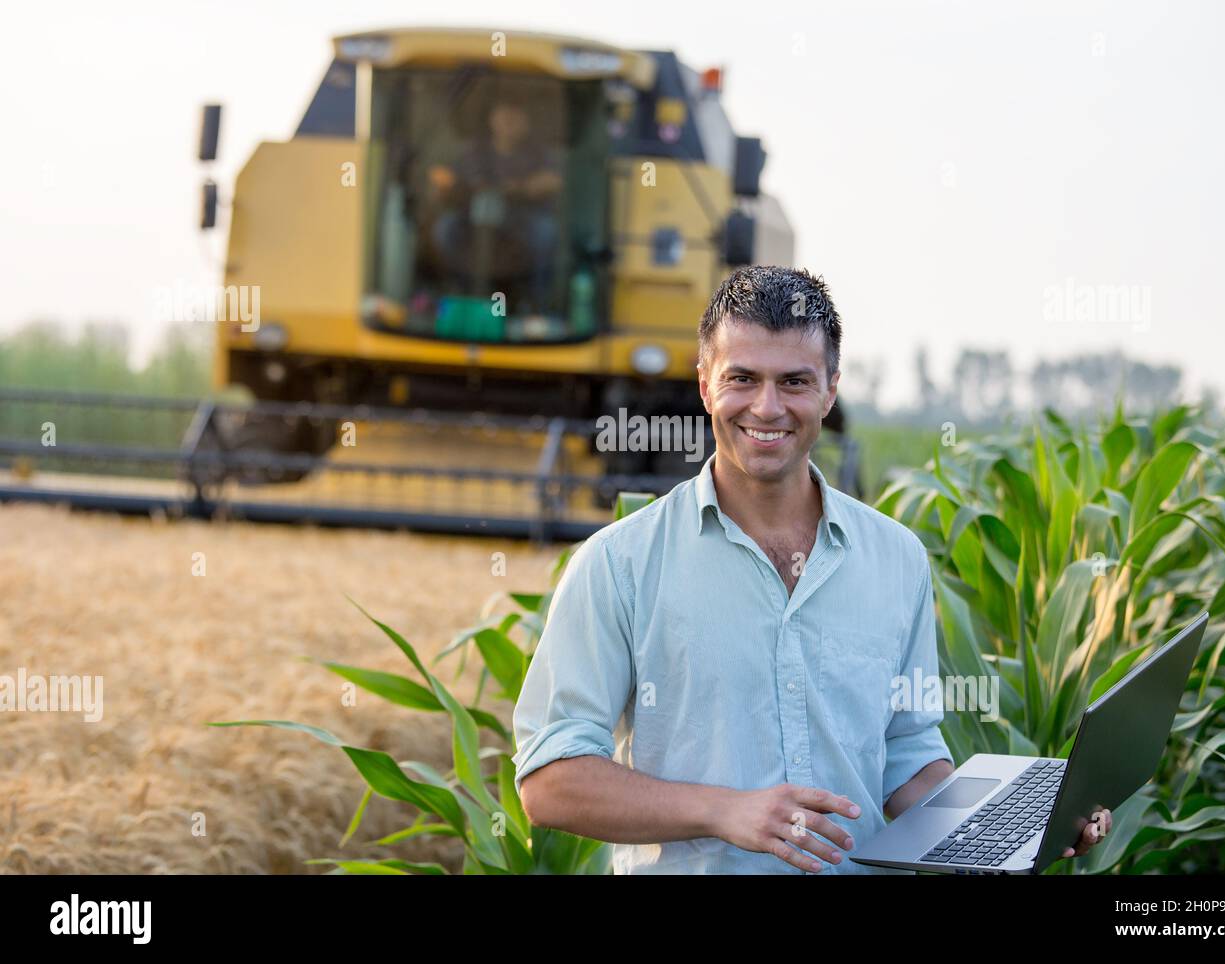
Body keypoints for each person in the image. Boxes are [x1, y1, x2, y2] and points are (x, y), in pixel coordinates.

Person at [511, 265, 1111, 873]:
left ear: (830, 390)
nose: (767, 408)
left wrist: (1024, 824)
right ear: (704, 385)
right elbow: (549, 780)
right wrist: (724, 810)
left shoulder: (896, 559)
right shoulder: (619, 564)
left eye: (794, 381)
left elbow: (906, 758)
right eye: (742, 378)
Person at [428, 99, 562, 312]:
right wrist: (450, 184)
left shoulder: (538, 153)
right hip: (471, 217)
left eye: (515, 115)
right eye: (503, 114)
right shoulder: (474, 150)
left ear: (526, 122)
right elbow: (443, 176)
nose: (508, 120)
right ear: (492, 119)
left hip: (520, 217)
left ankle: (538, 306)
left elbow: (553, 181)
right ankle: (454, 292)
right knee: (445, 228)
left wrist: (519, 187)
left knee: (546, 232)